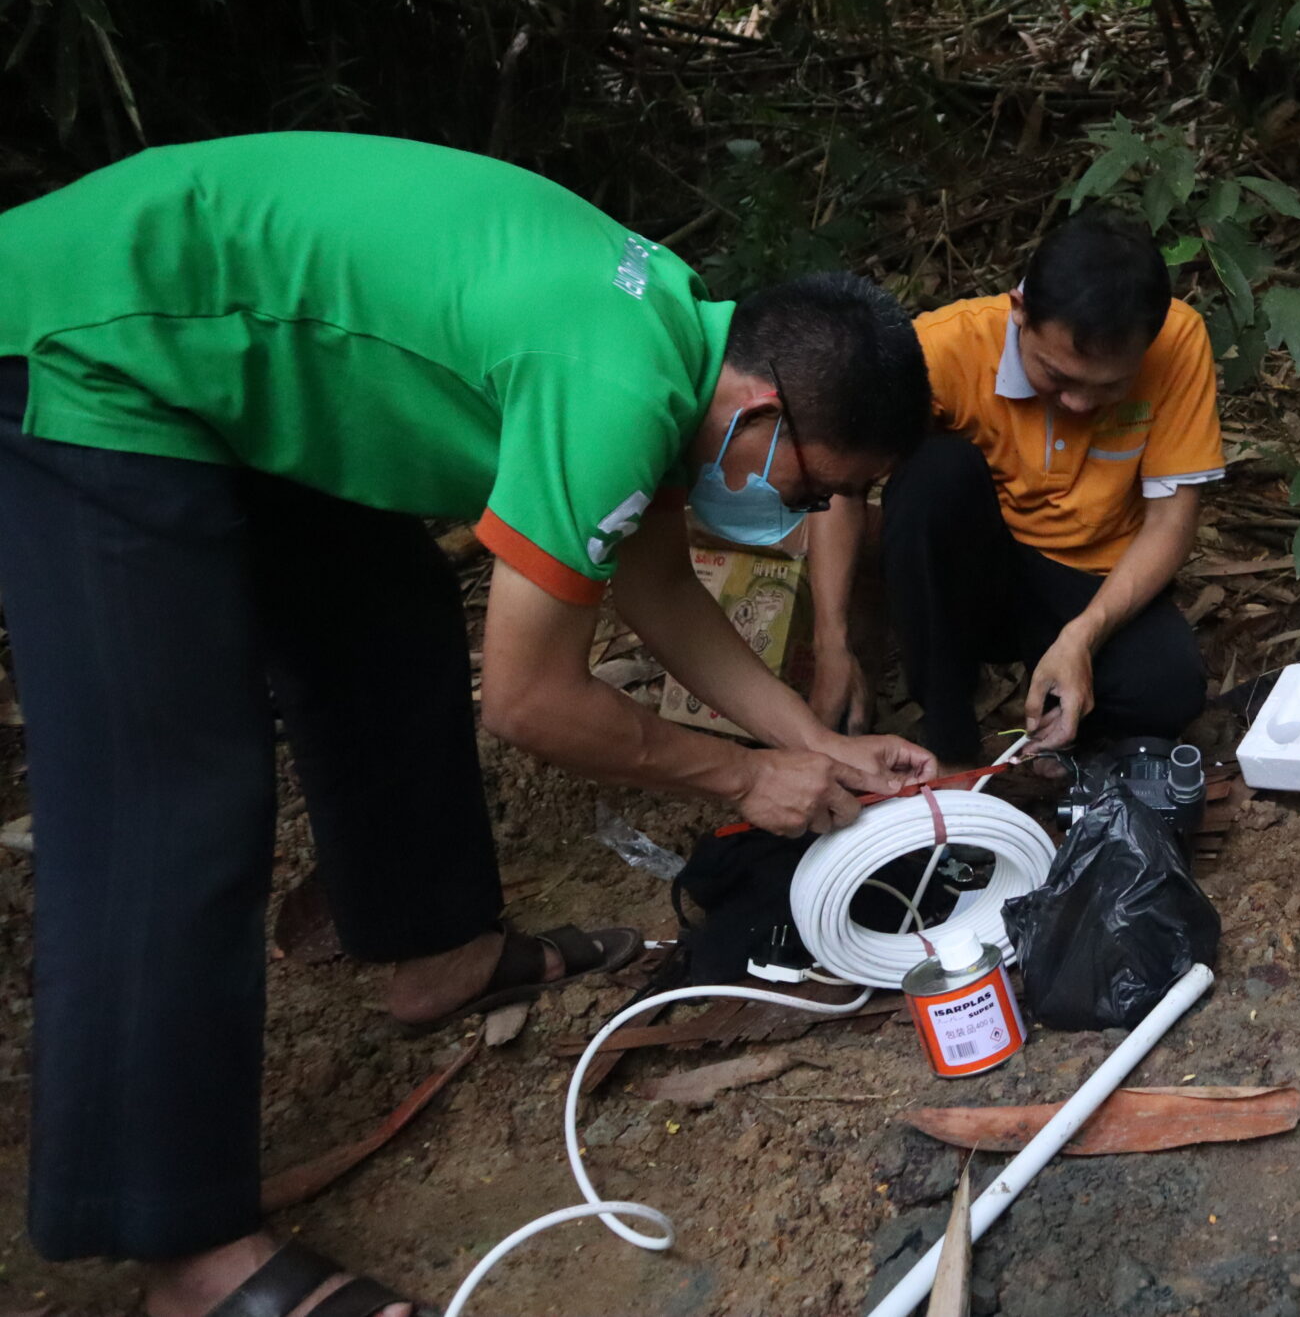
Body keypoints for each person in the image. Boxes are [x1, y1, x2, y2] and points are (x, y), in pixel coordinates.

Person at [0, 133, 939, 1317]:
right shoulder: (610, 383)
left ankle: (435, 949)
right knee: (170, 792)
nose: (809, 515)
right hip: (94, 336)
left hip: (243, 348)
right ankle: (188, 1252)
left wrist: (811, 740)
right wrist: (744, 781)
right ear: (760, 410)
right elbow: (533, 701)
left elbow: (655, 589)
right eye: (813, 492)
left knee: (382, 621)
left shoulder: (677, 346)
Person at [807, 208, 1223, 764]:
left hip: (1094, 576)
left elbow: (1171, 521)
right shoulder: (942, 349)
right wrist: (830, 639)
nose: (1078, 403)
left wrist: (1083, 636)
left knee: (1168, 691)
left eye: (1110, 387)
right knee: (933, 471)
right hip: (981, 571)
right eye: (1056, 375)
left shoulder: (1178, 341)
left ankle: (1062, 727)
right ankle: (950, 740)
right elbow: (844, 485)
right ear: (1020, 310)